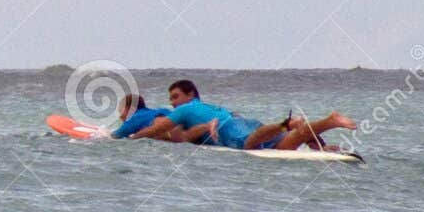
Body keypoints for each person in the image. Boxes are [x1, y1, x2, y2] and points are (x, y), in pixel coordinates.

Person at [129, 79, 357, 151]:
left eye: (175, 96)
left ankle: (286, 124)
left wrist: (133, 138)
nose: (172, 102)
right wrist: (319, 148)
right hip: (240, 121)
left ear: (190, 94)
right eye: (170, 98)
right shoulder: (210, 108)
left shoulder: (186, 109)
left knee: (250, 142)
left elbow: (157, 129)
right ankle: (329, 122)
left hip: (237, 129)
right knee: (283, 147)